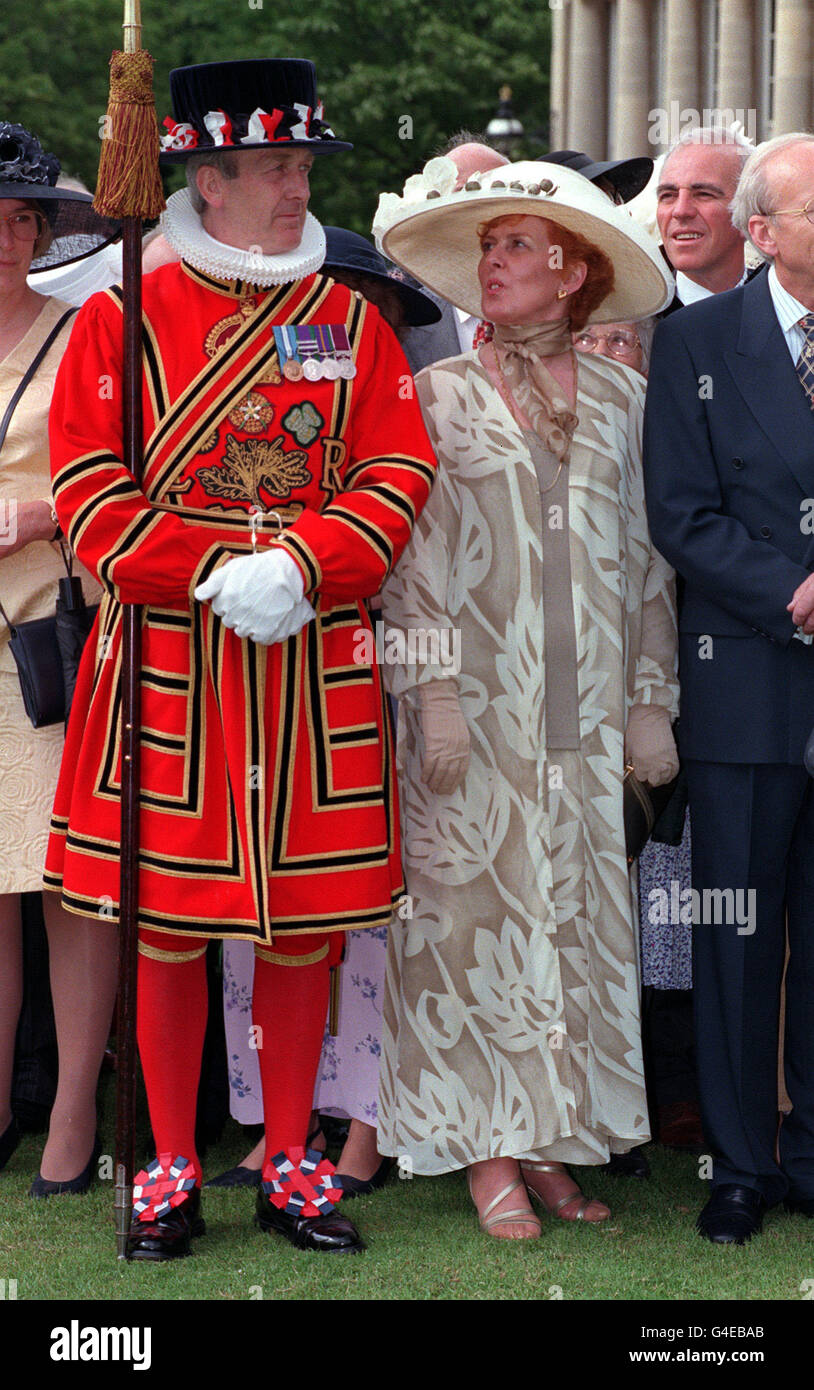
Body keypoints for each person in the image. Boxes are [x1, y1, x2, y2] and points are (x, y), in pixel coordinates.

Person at [44, 59, 436, 1259]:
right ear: (204, 182)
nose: (296, 189)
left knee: (301, 924)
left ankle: (286, 1161)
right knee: (166, 918)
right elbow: (85, 490)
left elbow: (397, 471)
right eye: (276, 167)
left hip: (311, 669)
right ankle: (166, 1159)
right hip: (171, 657)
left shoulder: (348, 316)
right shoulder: (120, 315)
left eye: (304, 167)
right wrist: (213, 572)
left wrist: (307, 569)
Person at [373, 157, 678, 1237]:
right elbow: (409, 563)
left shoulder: (627, 401)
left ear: (573, 271)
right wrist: (432, 694)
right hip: (477, 709)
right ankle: (486, 1150)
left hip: (588, 715)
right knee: (469, 926)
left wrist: (649, 699)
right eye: (486, 249)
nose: (490, 269)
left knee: (578, 923)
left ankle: (558, 1140)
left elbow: (649, 562)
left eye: (513, 249)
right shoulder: (439, 395)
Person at [210, 226, 441, 1196]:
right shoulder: (261, 404)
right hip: (277, 659)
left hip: (393, 663)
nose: (343, 325)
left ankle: (367, 1130)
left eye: (370, 306)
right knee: (257, 906)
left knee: (375, 917)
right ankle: (275, 1121)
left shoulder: (415, 402)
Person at [644, 131, 814, 1245]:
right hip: (745, 690)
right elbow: (681, 514)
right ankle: (741, 1166)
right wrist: (797, 591)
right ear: (764, 234)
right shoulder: (696, 341)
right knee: (737, 935)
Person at [0, 122, 119, 1192]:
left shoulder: (84, 333)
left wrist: (45, 511)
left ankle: (74, 1115)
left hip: (47, 647)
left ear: (40, 232)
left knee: (67, 886)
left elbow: (126, 485)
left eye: (18, 220)